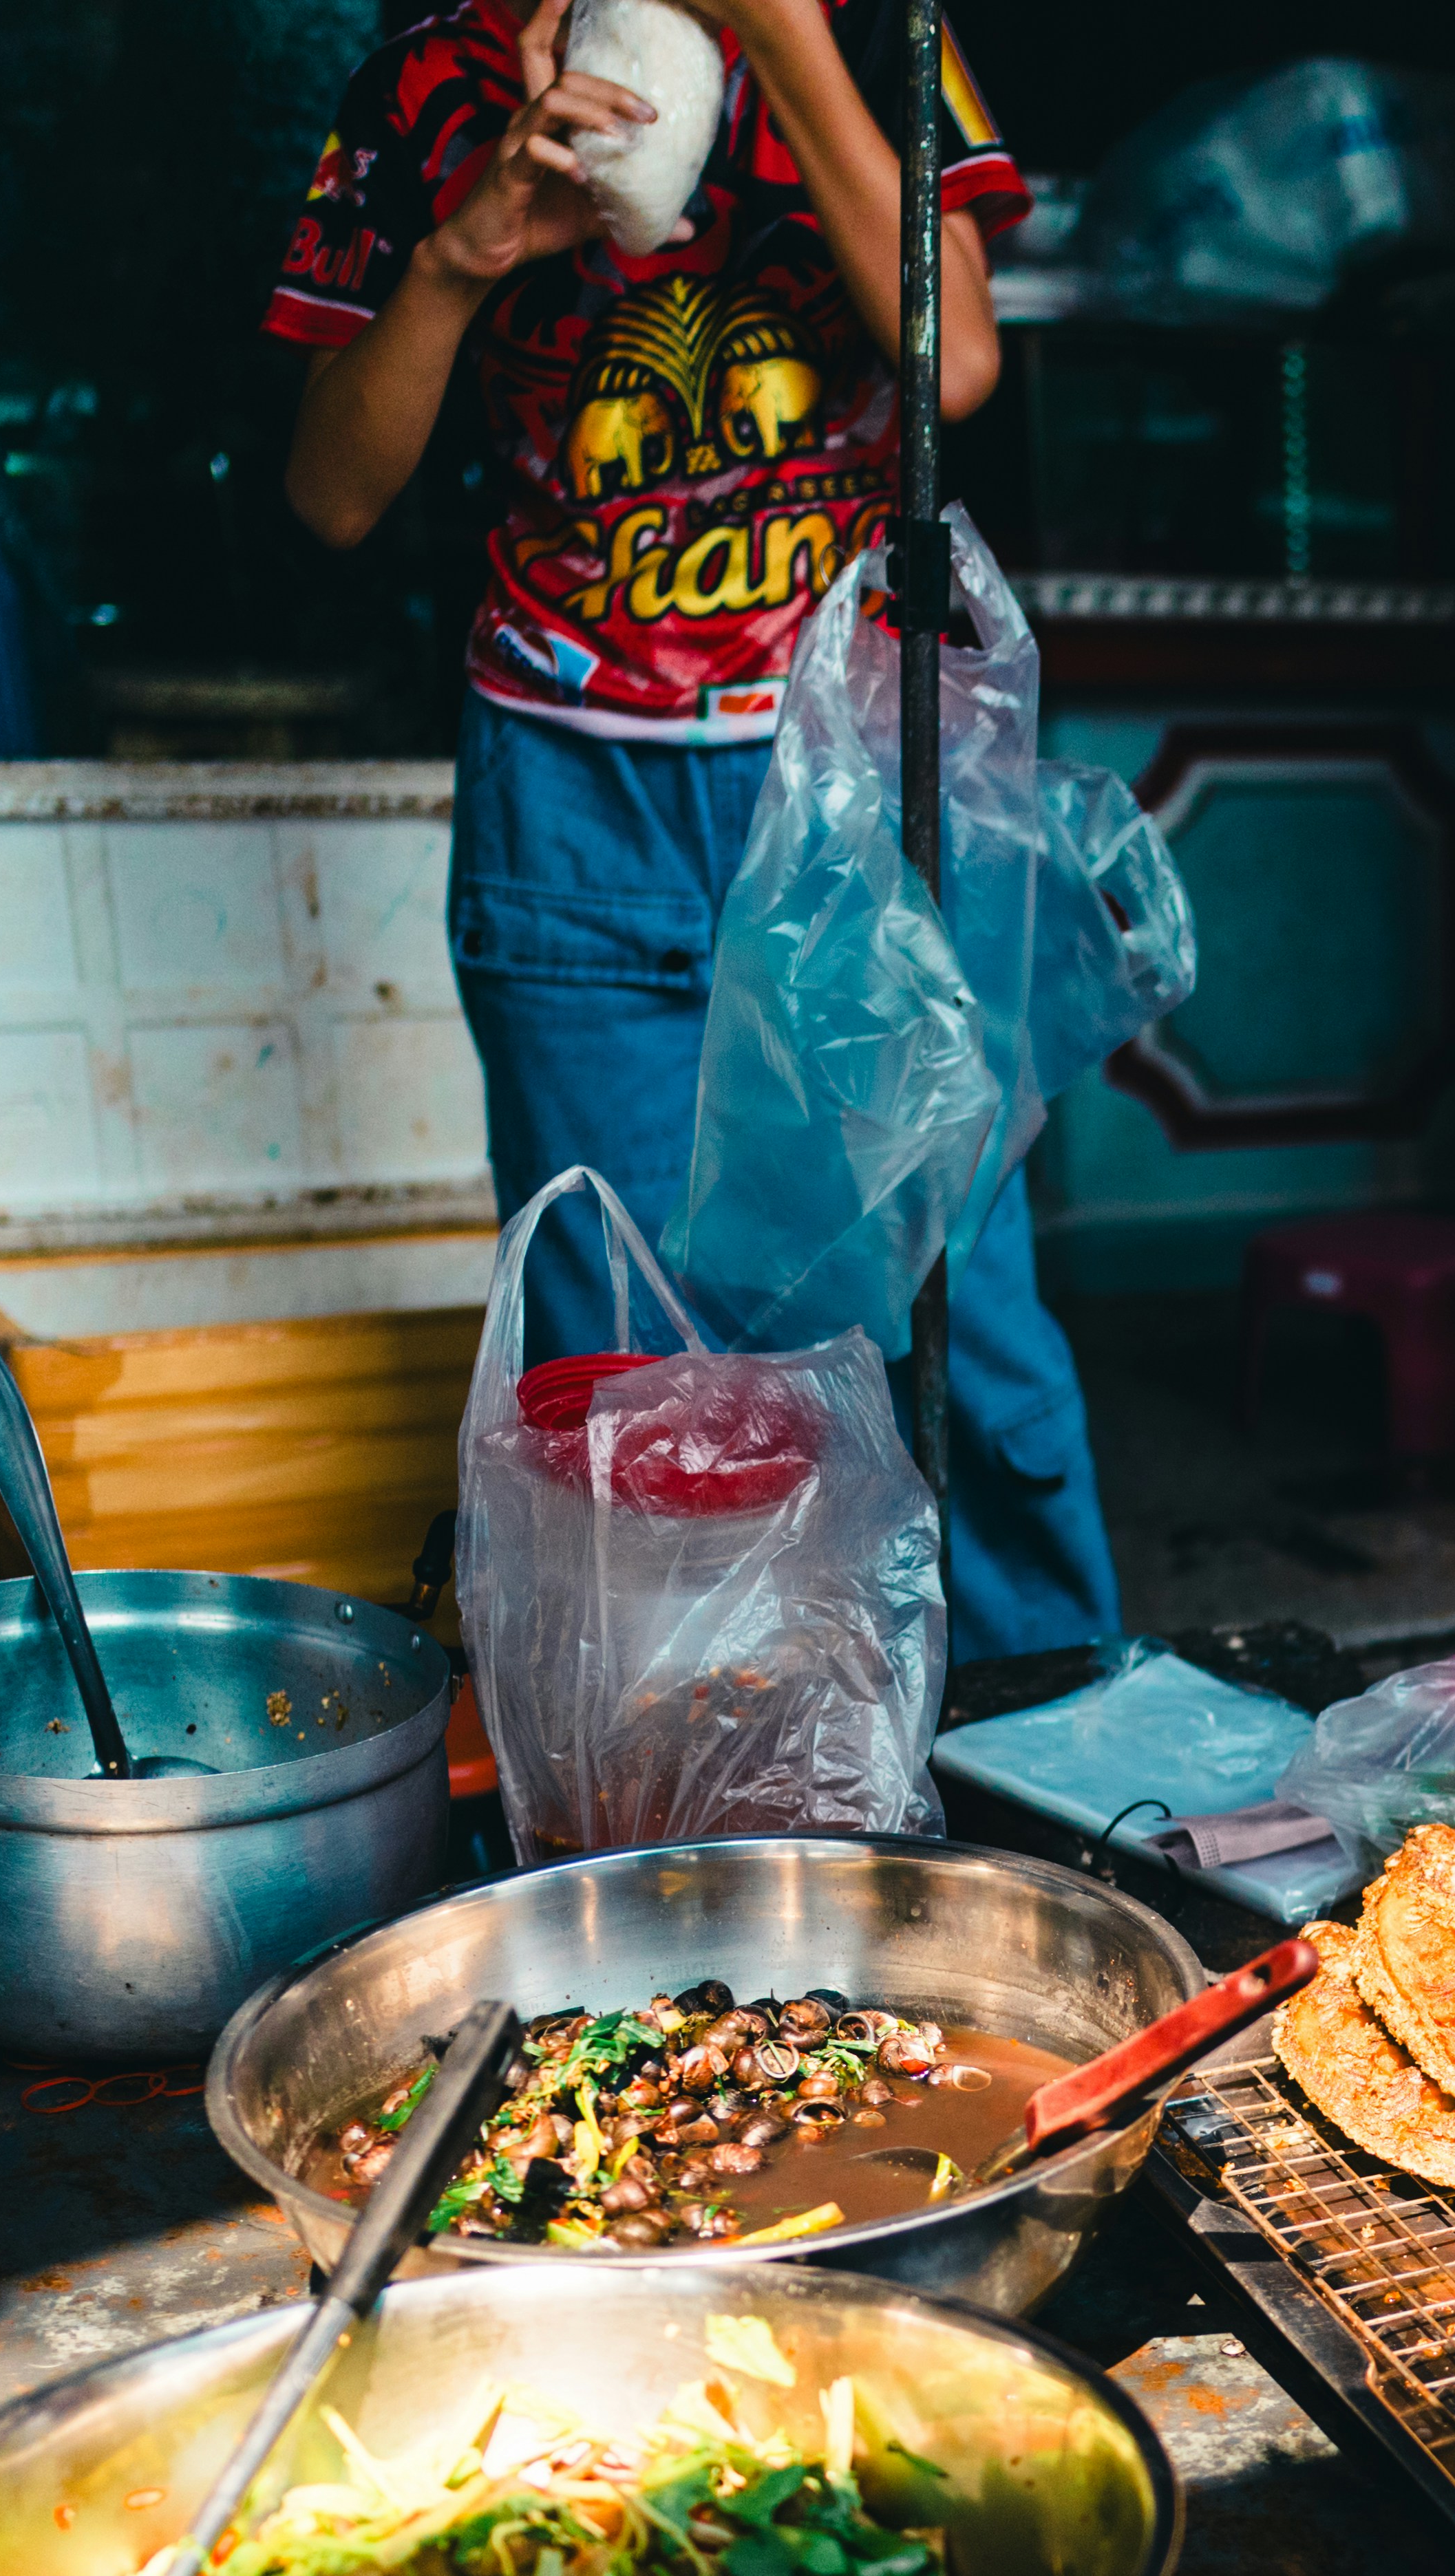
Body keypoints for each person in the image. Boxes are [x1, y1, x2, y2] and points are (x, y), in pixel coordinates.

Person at [268, 0, 1118, 1655]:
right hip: (574, 806)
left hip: (852, 794)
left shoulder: (881, 43)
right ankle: (687, 1817)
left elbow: (955, 366)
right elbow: (330, 493)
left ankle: (1054, 1774)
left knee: (966, 1324)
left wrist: (786, 44)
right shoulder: (436, 85)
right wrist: (455, 262)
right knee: (627, 1374)